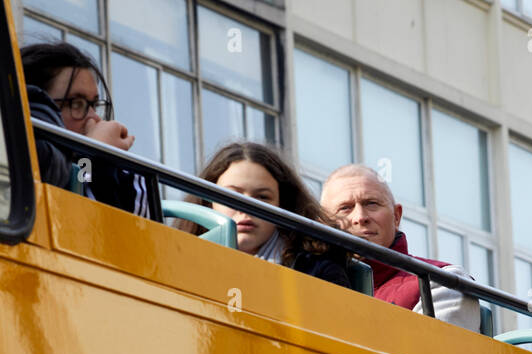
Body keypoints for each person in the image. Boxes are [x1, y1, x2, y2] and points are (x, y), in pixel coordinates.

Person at [320, 165, 481, 333]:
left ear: (396, 217)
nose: (360, 217)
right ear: (323, 223)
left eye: (371, 203)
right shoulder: (308, 286)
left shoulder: (441, 281)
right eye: (345, 208)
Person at [182, 142, 350, 288]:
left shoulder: (318, 269)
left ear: (282, 204)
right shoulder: (180, 260)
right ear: (208, 201)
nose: (246, 208)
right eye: (231, 196)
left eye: (262, 197)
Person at [20, 42, 151, 218]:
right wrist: (91, 151)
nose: (94, 118)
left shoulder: (125, 179)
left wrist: (99, 162)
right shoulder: (20, 156)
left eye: (94, 105)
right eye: (76, 104)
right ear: (40, 108)